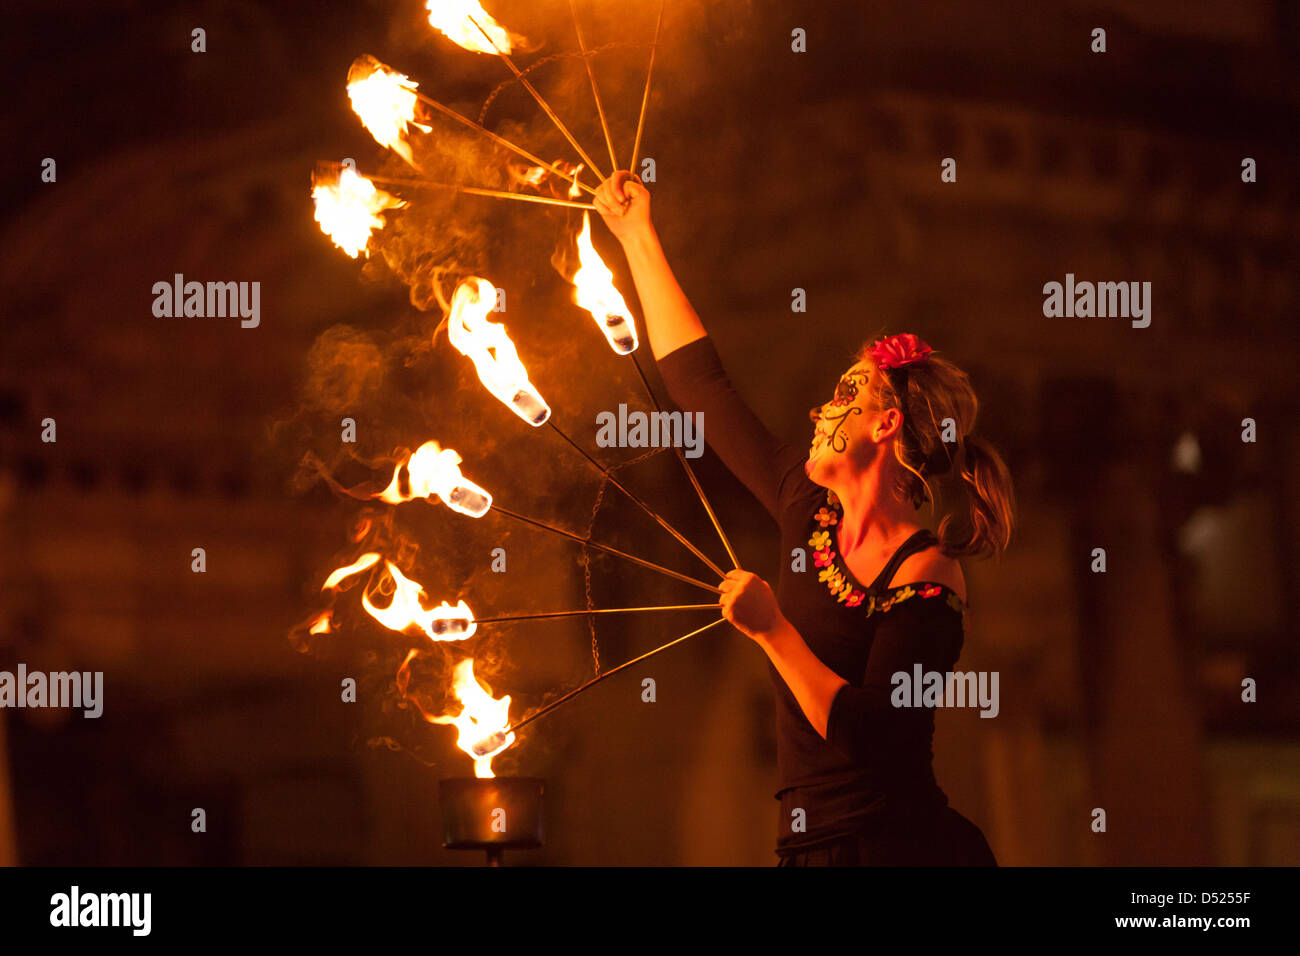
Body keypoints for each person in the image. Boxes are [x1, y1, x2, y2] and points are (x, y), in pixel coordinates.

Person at [593, 171, 1015, 866]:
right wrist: (637, 235)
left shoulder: (929, 571)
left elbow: (873, 737)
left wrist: (772, 632)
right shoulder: (805, 508)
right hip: (808, 850)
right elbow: (702, 387)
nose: (820, 411)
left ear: (886, 423)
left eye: (844, 395)